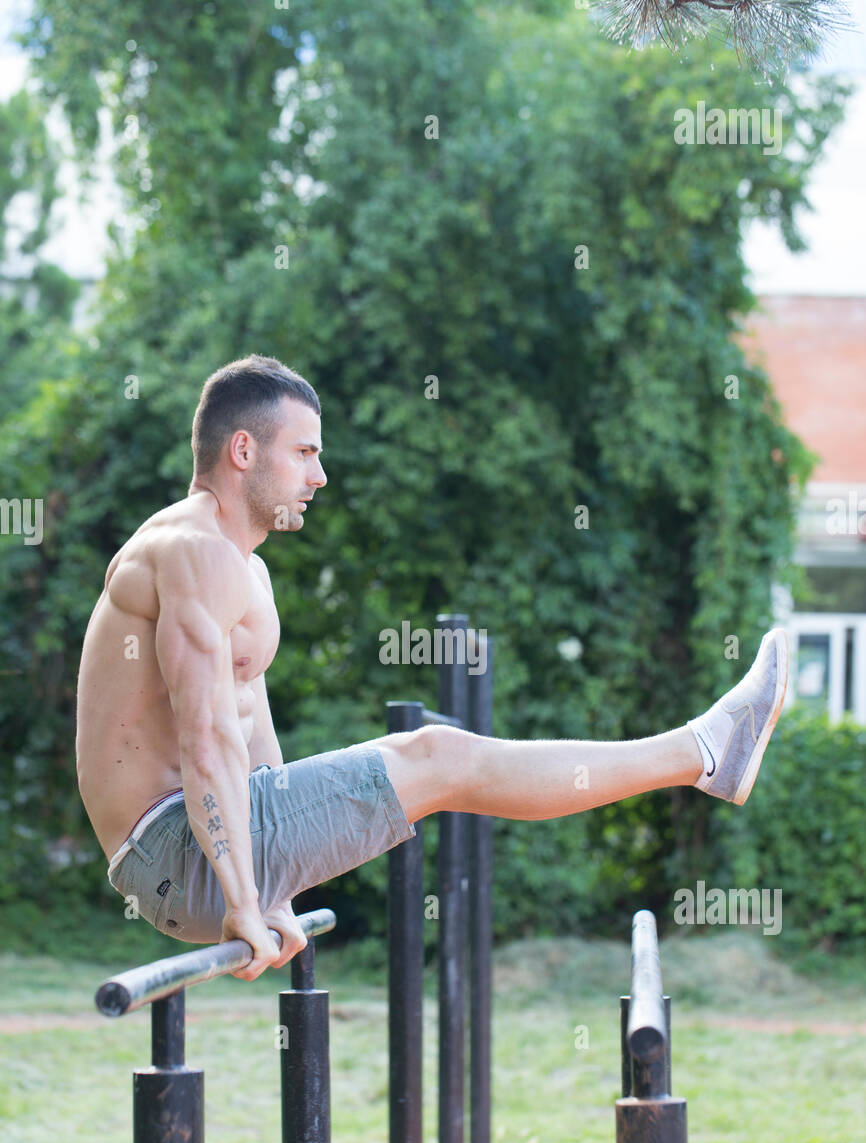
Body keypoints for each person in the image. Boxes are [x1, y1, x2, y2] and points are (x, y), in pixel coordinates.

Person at [75, 354, 789, 981]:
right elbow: (207, 742)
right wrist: (240, 900)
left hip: (201, 846)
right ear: (242, 450)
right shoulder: (191, 549)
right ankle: (702, 750)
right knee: (438, 756)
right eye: (303, 453)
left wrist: (273, 893)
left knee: (438, 755)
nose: (319, 476)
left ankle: (704, 751)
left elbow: (257, 750)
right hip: (166, 854)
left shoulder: (247, 574)